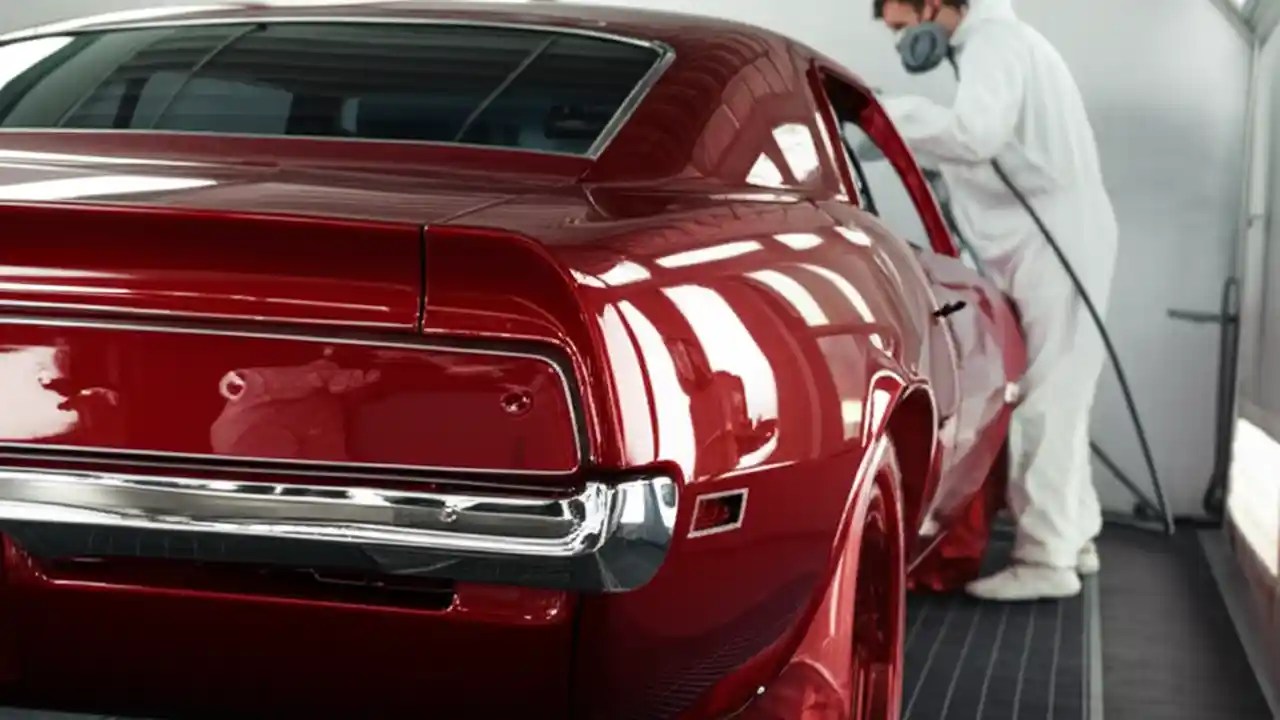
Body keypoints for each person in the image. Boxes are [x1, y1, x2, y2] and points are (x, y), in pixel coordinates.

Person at [873, 0, 1119, 601]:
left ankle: (1046, 561)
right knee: (1061, 394)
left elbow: (974, 135)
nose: (904, 43)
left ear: (932, 4)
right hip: (1042, 241)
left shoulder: (995, 43)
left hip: (1052, 245)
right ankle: (1073, 535)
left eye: (903, 27)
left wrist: (884, 113)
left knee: (1049, 398)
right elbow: (981, 147)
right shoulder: (989, 47)